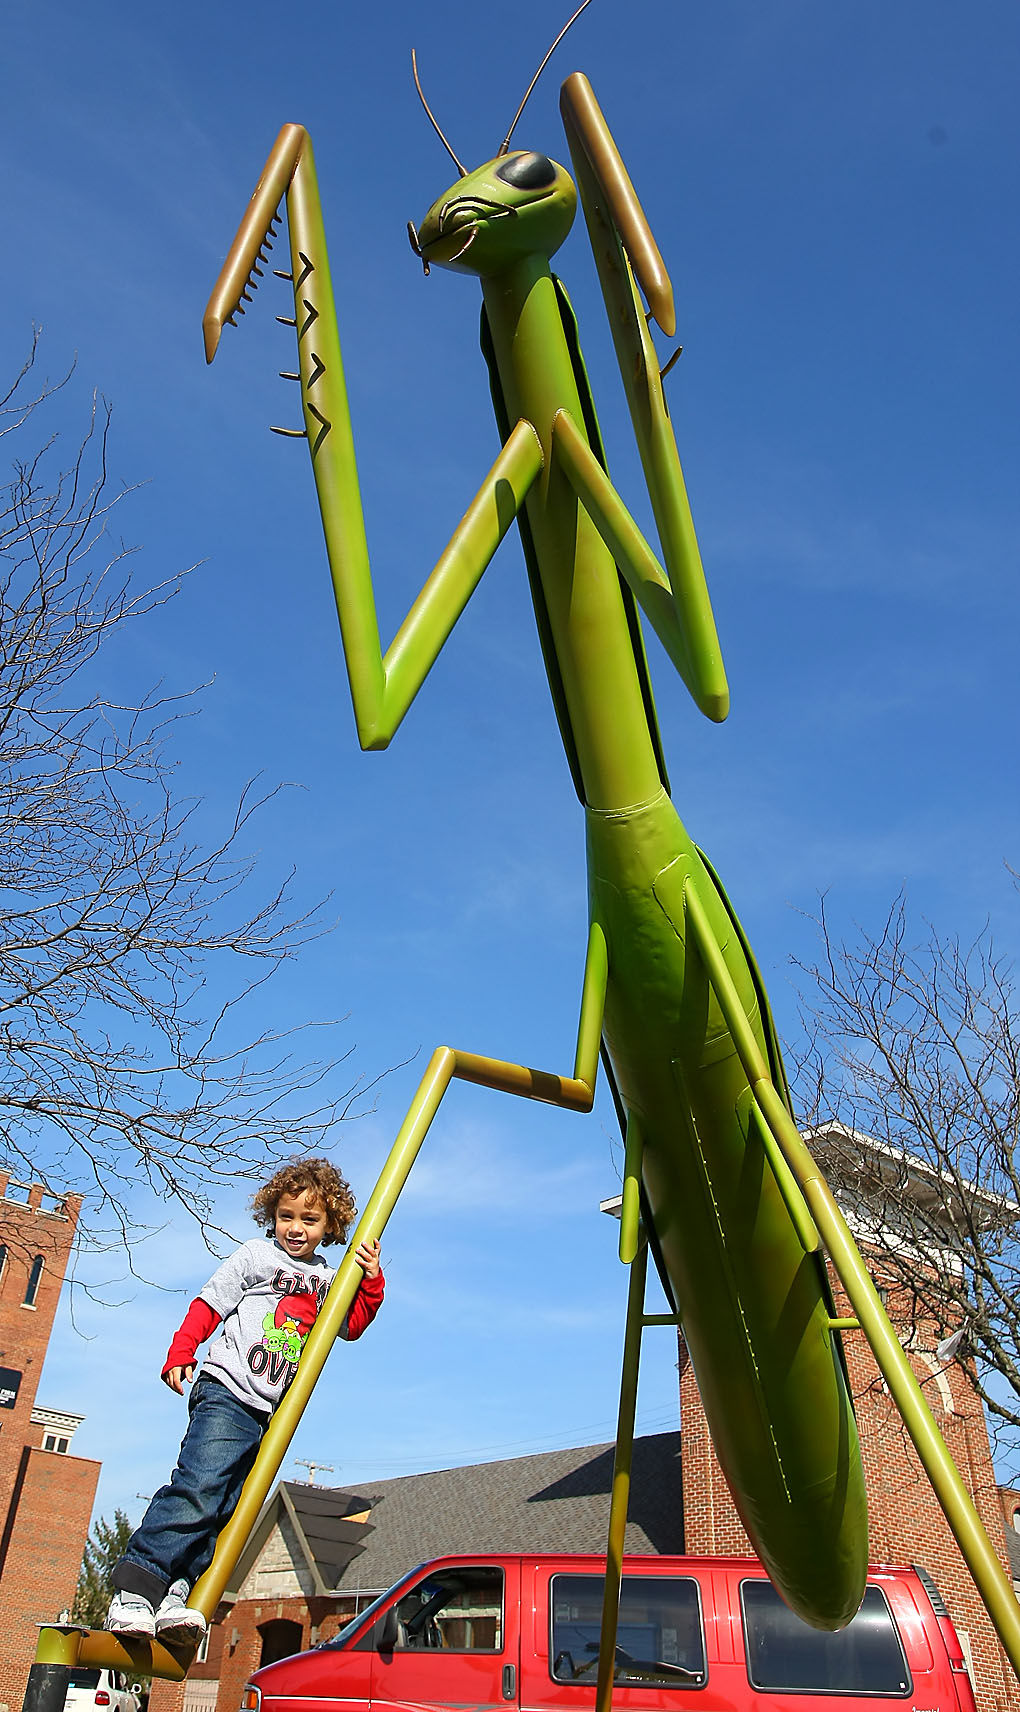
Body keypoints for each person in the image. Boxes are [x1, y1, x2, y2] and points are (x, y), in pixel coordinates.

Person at [106, 1156, 384, 1643]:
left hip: (269, 1412)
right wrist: (181, 1350)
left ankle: (176, 1591)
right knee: (199, 1487)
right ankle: (137, 1586)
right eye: (286, 1216)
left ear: (330, 1223)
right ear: (271, 1215)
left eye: (309, 1219)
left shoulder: (328, 1280)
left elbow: (352, 1326)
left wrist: (370, 1280)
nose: (295, 1228)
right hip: (227, 1390)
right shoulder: (256, 1257)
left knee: (227, 1505)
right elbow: (210, 1301)